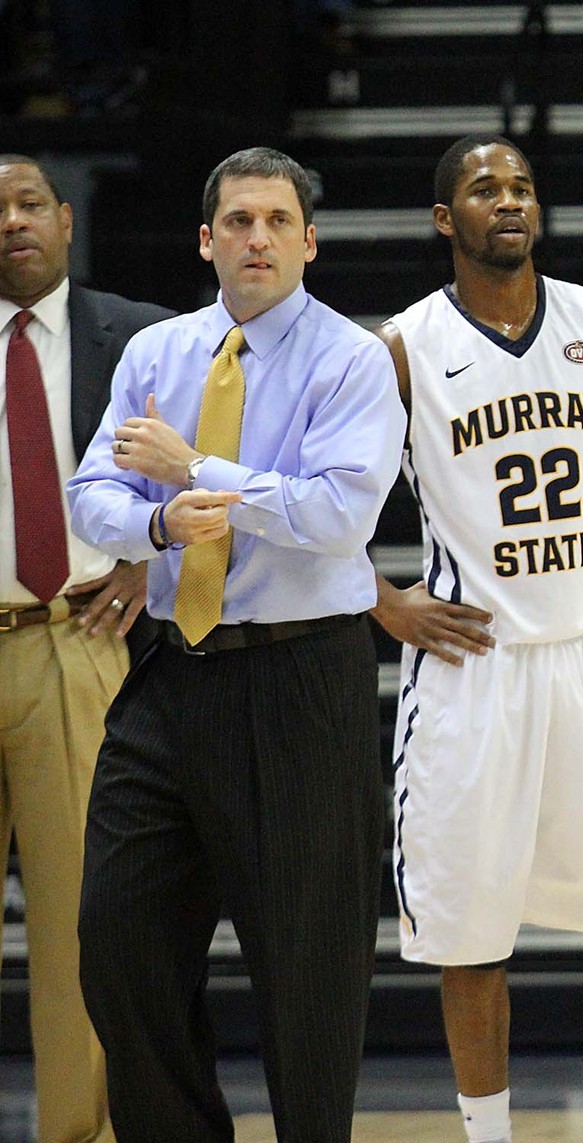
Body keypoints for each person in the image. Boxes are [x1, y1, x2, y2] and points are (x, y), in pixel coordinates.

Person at [66, 147, 407, 1140]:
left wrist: (191, 469)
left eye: (275, 221)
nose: (257, 238)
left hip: (300, 675)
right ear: (206, 239)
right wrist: (163, 526)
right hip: (169, 669)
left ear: (309, 240)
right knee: (116, 941)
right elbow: (97, 497)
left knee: (308, 971)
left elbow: (340, 517)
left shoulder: (352, 358)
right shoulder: (156, 354)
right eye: (238, 221)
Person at [367, 135, 583, 1143]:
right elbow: (315, 504)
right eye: (483, 189)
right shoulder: (402, 346)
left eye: (521, 188)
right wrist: (387, 605)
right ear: (444, 221)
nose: (508, 202)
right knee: (471, 935)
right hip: (475, 672)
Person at [0, 153, 168, 1143]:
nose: (11, 221)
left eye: (28, 204)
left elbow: (211, 467)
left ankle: (80, 1137)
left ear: (66, 220)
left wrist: (147, 557)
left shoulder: (140, 339)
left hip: (75, 638)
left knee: (82, 928)